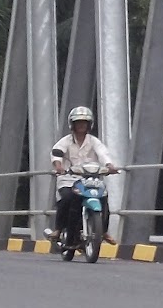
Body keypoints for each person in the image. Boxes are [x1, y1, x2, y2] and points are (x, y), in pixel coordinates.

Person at [46, 106, 117, 250]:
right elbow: (57, 153)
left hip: (91, 179)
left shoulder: (94, 141)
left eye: (84, 122)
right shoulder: (65, 141)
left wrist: (110, 165)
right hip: (68, 179)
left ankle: (103, 231)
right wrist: (58, 166)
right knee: (67, 199)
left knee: (103, 198)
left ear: (89, 124)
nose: (81, 125)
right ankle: (59, 229)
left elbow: (103, 153)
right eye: (78, 122)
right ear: (72, 124)